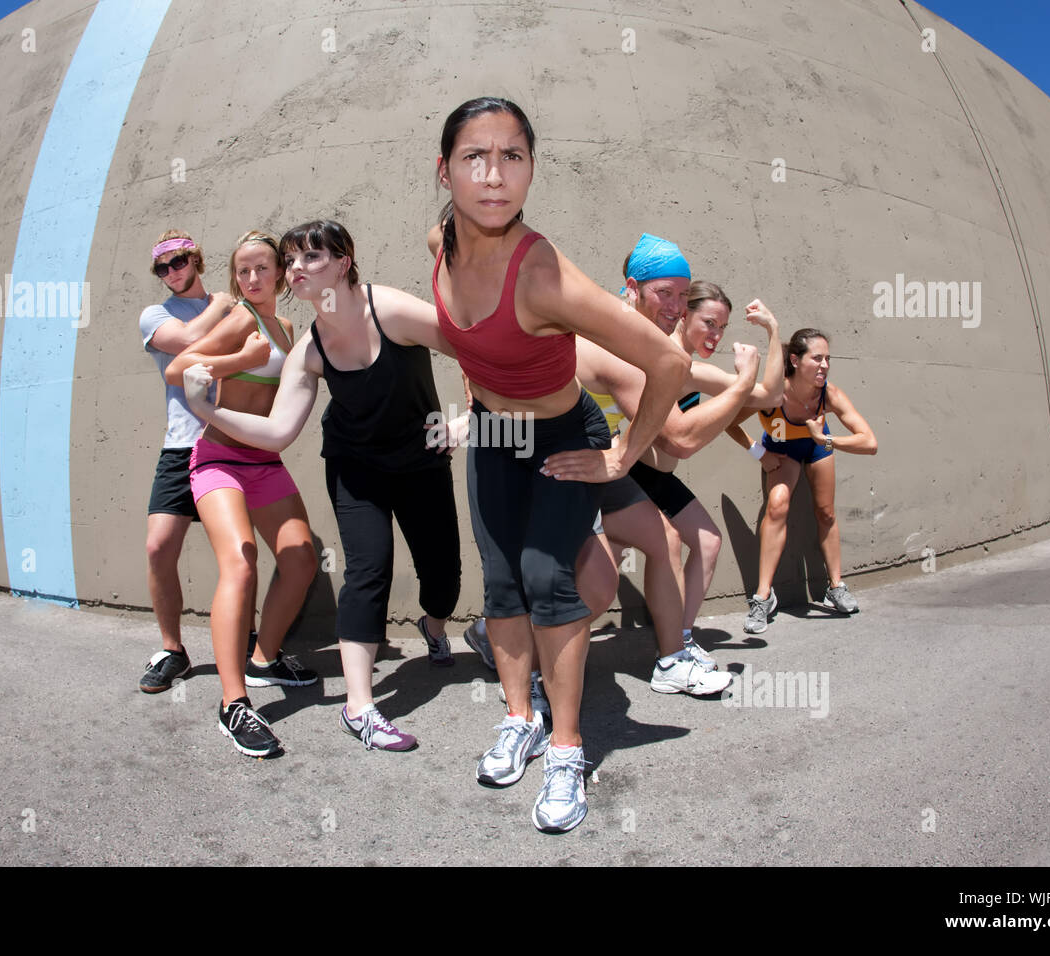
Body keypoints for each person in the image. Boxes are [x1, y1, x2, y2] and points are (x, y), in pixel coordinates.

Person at [432, 97, 688, 833]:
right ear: (443, 168)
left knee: (549, 579)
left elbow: (667, 360)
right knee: (503, 581)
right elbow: (469, 340)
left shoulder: (541, 273)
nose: (493, 174)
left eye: (512, 156)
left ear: (532, 170)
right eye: (474, 155)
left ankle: (568, 748)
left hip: (557, 436)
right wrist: (473, 398)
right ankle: (521, 716)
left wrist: (622, 453)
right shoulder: (439, 240)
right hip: (493, 434)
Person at [183, 220, 461, 753]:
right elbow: (277, 432)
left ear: (343, 261)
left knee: (443, 574)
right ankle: (360, 707)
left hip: (422, 462)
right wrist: (208, 410)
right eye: (290, 261)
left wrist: (468, 419)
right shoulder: (308, 348)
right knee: (367, 568)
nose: (296, 269)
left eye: (311, 257)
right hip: (356, 467)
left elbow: (471, 347)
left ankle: (434, 623)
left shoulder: (392, 310)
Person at [161, 230, 320, 758]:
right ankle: (234, 703)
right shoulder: (239, 321)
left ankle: (265, 656)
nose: (252, 279)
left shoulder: (289, 325)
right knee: (242, 561)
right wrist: (239, 358)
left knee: (300, 560)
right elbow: (180, 369)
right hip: (218, 460)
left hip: (264, 462)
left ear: (279, 273)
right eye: (243, 271)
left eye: (261, 269)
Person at [620, 246, 785, 650]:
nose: (716, 334)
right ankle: (513, 639)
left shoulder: (694, 369)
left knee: (707, 542)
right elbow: (680, 438)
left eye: (723, 328)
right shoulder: (667, 358)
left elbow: (769, 395)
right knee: (600, 571)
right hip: (630, 474)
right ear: (684, 316)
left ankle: (680, 638)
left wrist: (774, 331)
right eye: (709, 322)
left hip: (660, 478)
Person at [726, 328, 877, 633]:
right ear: (795, 360)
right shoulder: (773, 392)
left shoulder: (829, 394)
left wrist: (827, 439)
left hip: (818, 446)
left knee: (826, 512)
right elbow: (728, 422)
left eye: (828, 359)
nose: (824, 365)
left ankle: (836, 587)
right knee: (777, 506)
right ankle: (763, 597)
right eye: (817, 358)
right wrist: (760, 454)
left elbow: (869, 442)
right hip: (781, 449)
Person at [136, 230, 234, 694]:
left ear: (195, 258)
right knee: (158, 548)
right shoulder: (156, 315)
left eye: (178, 262)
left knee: (237, 554)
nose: (171, 273)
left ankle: (249, 640)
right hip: (180, 446)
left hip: (228, 442)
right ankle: (173, 649)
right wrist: (224, 308)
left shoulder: (234, 305)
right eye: (162, 268)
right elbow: (189, 341)